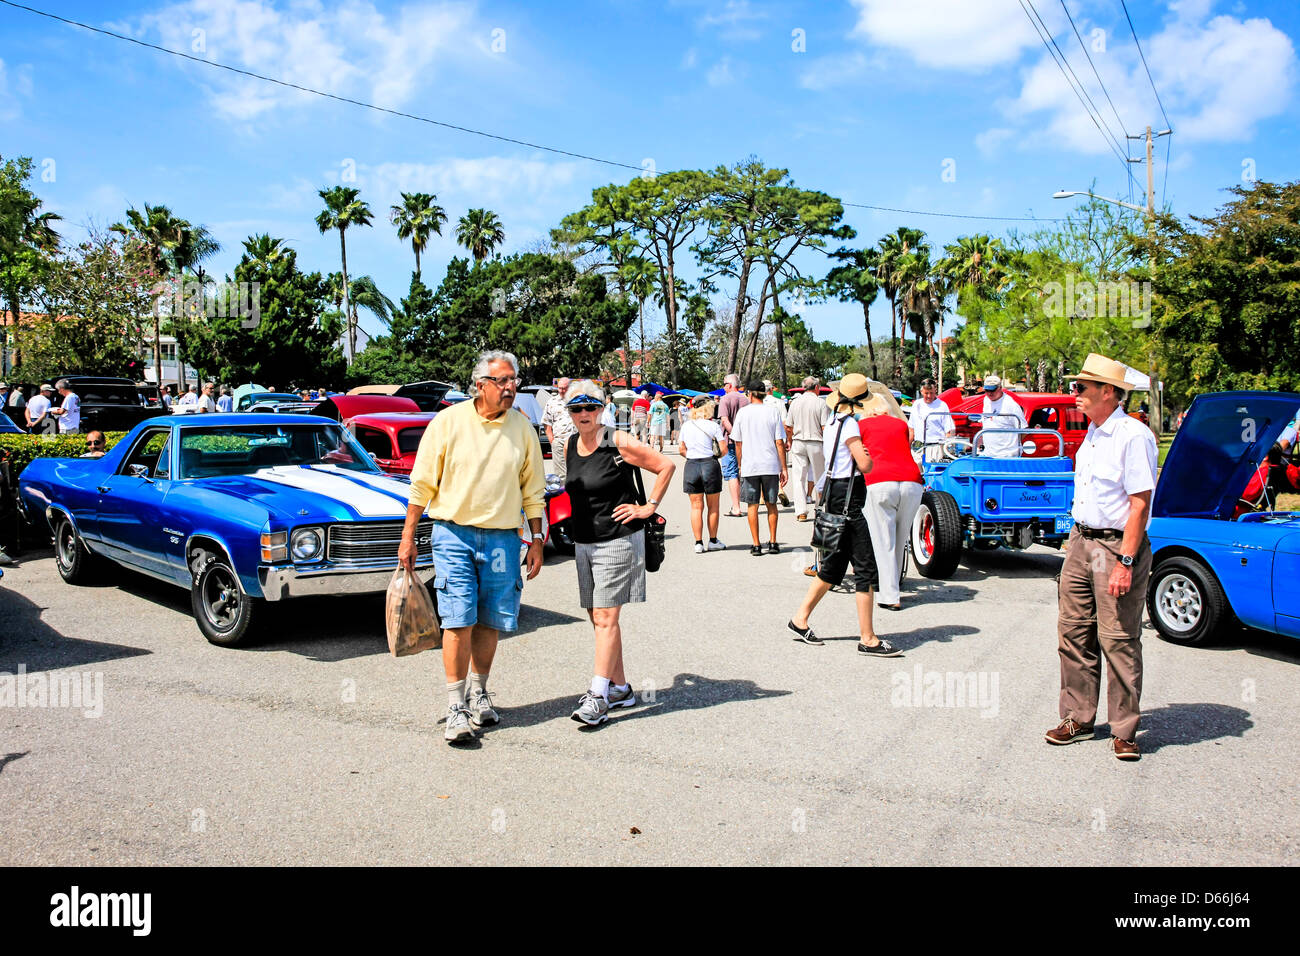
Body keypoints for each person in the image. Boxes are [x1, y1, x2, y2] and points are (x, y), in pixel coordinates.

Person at [398, 350, 545, 745]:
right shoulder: (448, 422)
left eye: (514, 380)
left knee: (491, 621)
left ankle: (480, 693)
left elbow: (533, 490)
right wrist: (408, 535)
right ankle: (455, 707)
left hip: (501, 538)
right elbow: (422, 483)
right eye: (502, 381)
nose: (511, 387)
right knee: (458, 619)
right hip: (453, 535)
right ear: (480, 385)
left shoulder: (523, 429)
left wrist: (537, 539)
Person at [1048, 353, 1157, 761]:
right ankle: (1077, 716)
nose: (1074, 394)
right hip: (1081, 541)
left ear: (1108, 393)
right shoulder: (1093, 434)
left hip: (1115, 546)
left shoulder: (1133, 435)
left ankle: (1124, 729)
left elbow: (1139, 504)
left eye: (1082, 388)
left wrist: (1126, 562)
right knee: (1073, 631)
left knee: (1119, 638)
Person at [562, 381, 675, 726]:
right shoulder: (570, 443)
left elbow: (665, 466)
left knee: (607, 617)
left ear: (602, 409)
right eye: (576, 409)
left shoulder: (616, 440)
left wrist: (647, 507)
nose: (584, 415)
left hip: (618, 539)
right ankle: (621, 687)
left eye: (590, 407)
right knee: (598, 618)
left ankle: (598, 697)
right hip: (584, 540)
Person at [787, 373, 898, 656]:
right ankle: (868, 638)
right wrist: (869, 456)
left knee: (833, 567)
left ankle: (800, 619)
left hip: (837, 494)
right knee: (865, 568)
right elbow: (866, 465)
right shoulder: (850, 426)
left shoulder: (832, 422)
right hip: (850, 499)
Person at [858, 394, 924, 611]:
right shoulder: (900, 424)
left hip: (879, 480)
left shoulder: (863, 425)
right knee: (899, 537)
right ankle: (893, 586)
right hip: (911, 481)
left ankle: (889, 594)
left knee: (883, 540)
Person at [731, 379, 788, 556]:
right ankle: (773, 541)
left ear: (749, 393)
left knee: (752, 505)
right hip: (770, 464)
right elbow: (779, 442)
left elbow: (737, 443)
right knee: (772, 504)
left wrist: (740, 465)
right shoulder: (772, 412)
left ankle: (756, 544)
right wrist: (783, 467)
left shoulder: (743, 413)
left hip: (750, 464)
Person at [679, 395, 726, 553]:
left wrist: (692, 456)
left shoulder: (686, 426)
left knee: (696, 507)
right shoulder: (713, 426)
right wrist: (715, 458)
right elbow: (723, 449)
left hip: (692, 465)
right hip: (709, 464)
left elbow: (681, 449)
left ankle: (698, 543)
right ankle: (713, 540)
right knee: (713, 507)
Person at [785, 376, 831, 522]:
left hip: (798, 441)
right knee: (819, 478)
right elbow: (825, 427)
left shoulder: (795, 403)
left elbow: (788, 426)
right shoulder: (821, 403)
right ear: (817, 388)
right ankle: (819, 508)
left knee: (798, 478)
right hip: (816, 442)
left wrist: (790, 440)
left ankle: (801, 511)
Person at [717, 373, 746, 517]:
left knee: (731, 472)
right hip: (746, 441)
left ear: (729, 385)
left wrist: (734, 435)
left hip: (730, 441)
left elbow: (724, 420)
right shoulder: (746, 399)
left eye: (724, 384)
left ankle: (736, 507)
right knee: (745, 471)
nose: (723, 387)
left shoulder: (725, 399)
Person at [977, 375, 1026, 458]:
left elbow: (1023, 430)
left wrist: (1010, 448)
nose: (989, 393)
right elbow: (987, 424)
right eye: (987, 390)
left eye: (992, 390)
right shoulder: (986, 400)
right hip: (988, 455)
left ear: (1000, 388)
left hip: (1006, 456)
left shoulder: (1010, 405)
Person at [908, 378, 956, 461]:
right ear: (921, 392)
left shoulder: (942, 406)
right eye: (926, 393)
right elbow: (911, 429)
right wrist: (906, 448)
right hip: (917, 448)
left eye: (931, 393)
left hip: (935, 448)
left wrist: (948, 451)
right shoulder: (916, 405)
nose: (929, 396)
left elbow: (949, 431)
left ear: (935, 391)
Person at [541, 377, 576, 479]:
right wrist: (552, 440)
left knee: (577, 471)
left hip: (576, 442)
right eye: (560, 388)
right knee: (561, 475)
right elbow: (546, 423)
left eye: (564, 388)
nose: (562, 391)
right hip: (559, 441)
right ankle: (563, 493)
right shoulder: (552, 402)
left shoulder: (577, 400)